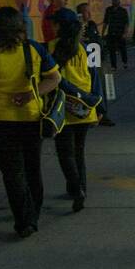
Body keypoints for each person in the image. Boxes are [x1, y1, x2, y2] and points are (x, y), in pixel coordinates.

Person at [0, 7, 61, 238]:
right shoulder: (33, 48)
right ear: (20, 25)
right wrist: (31, 94)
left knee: (12, 171)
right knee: (32, 166)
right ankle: (33, 212)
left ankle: (24, 220)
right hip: (31, 117)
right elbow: (55, 78)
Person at [49, 16, 99, 212]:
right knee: (79, 151)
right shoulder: (84, 48)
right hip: (84, 107)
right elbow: (94, 77)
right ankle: (80, 187)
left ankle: (76, 188)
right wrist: (96, 105)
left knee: (65, 152)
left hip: (63, 106)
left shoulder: (52, 47)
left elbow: (53, 77)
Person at [77, 2, 114, 127]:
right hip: (86, 62)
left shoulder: (92, 25)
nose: (89, 14)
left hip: (97, 59)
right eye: (86, 11)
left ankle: (103, 114)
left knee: (102, 87)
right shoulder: (78, 27)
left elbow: (97, 40)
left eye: (89, 11)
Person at [102, 0, 130, 70]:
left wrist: (125, 33)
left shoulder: (123, 11)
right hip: (111, 32)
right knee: (112, 50)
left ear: (118, 1)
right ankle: (113, 66)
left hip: (120, 33)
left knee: (122, 49)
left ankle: (125, 62)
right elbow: (105, 22)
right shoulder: (108, 10)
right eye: (113, 0)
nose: (113, 2)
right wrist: (103, 32)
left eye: (115, 0)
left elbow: (126, 23)